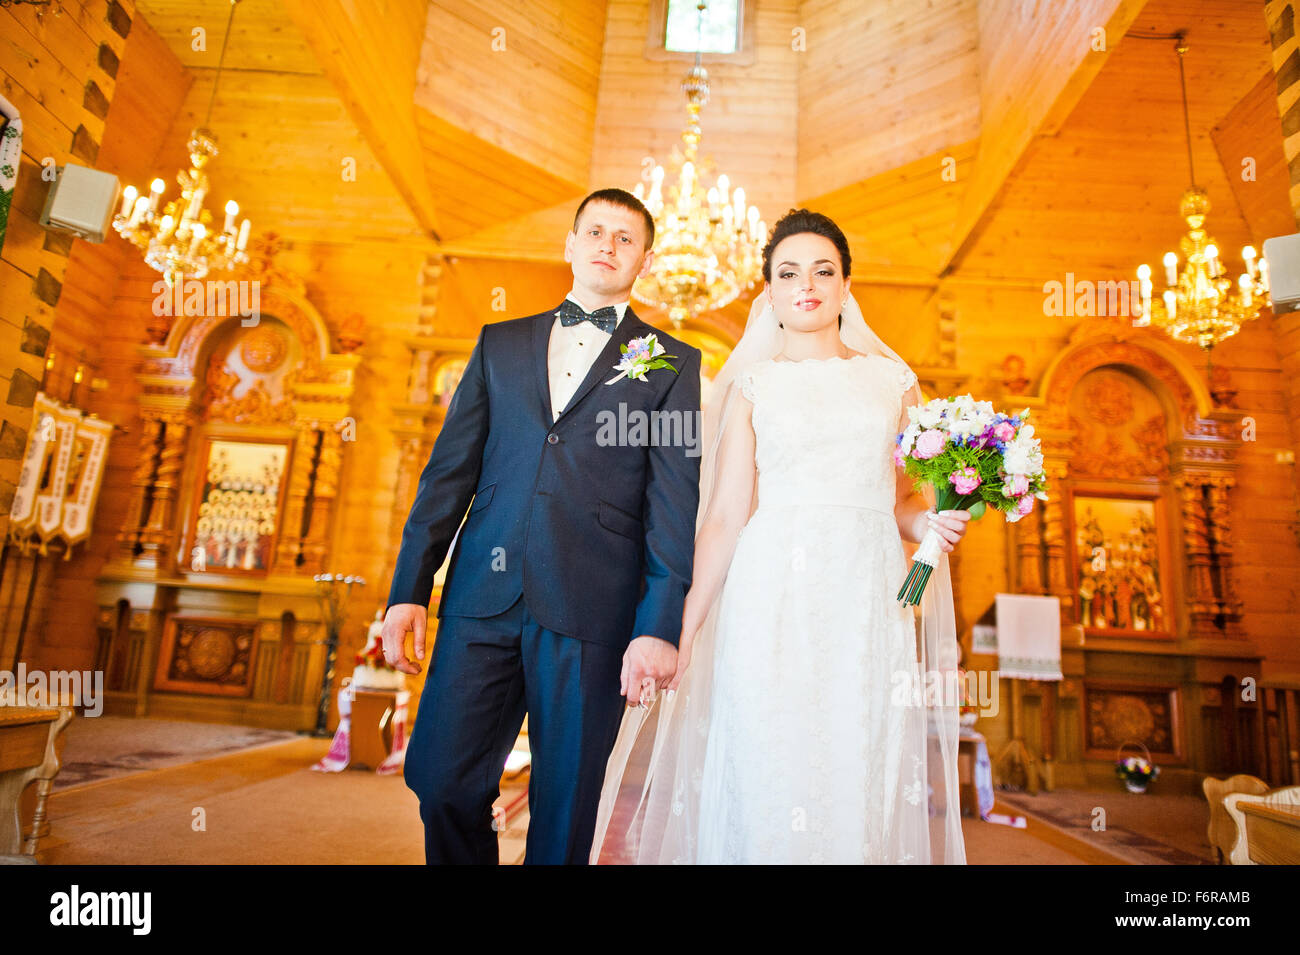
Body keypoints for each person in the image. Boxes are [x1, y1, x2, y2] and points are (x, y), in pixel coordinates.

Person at [591, 209, 970, 864]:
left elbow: (906, 499)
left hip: (867, 595)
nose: (808, 284)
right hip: (770, 596)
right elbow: (725, 516)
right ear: (769, 291)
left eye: (824, 270)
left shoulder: (894, 383)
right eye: (788, 272)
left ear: (847, 284)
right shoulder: (753, 386)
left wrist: (927, 523)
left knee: (857, 762)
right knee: (769, 762)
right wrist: (680, 630)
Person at [382, 188, 702, 864]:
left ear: (644, 258)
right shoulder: (500, 343)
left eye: (625, 237)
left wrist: (657, 623)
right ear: (570, 243)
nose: (607, 245)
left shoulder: (672, 363)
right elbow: (447, 475)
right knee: (439, 778)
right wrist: (408, 587)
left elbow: (675, 503)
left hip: (594, 610)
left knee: (565, 807)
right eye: (595, 231)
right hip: (480, 600)